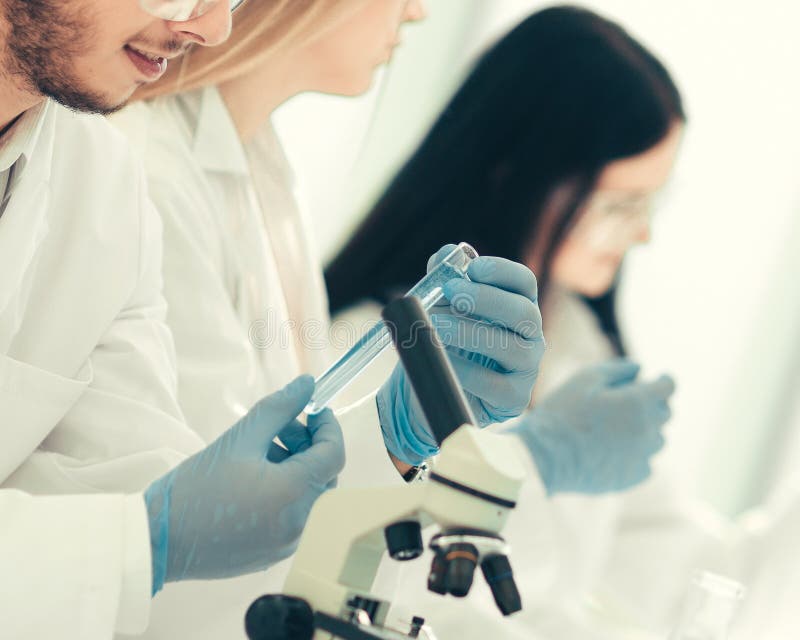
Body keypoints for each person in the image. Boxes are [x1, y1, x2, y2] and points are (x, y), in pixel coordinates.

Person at [115, 1, 673, 638]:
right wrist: (520, 461)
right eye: (620, 205)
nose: (417, 11)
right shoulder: (148, 171)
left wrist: (393, 445)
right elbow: (194, 538)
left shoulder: (262, 176)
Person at [326, 6, 797, 638]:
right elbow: (393, 580)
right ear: (519, 171)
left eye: (655, 202)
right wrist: (535, 462)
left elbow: (699, 584)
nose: (645, 232)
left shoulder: (580, 348)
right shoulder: (379, 345)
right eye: (621, 204)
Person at [0, 0, 344, 636]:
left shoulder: (103, 180)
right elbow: (129, 540)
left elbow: (126, 486)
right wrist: (147, 539)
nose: (212, 29)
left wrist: (385, 441)